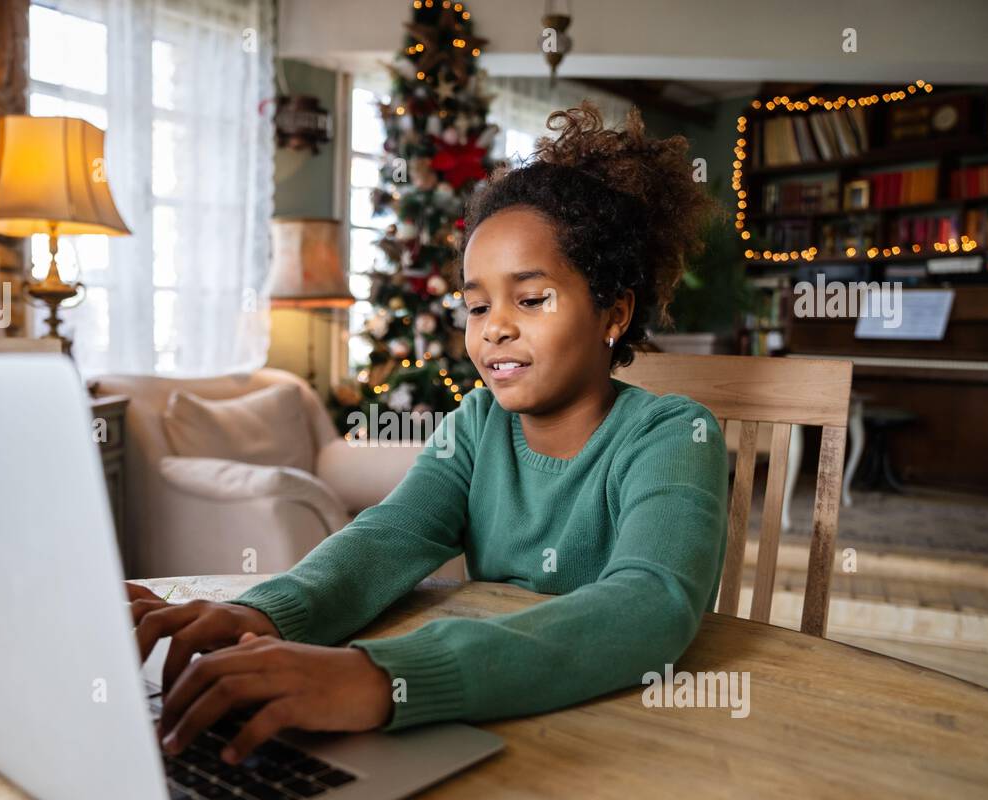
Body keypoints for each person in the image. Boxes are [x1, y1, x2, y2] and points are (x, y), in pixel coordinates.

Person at [128, 102, 729, 765]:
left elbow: (649, 605)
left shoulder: (673, 436)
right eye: (476, 305)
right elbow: (390, 534)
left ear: (613, 312)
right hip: (495, 728)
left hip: (627, 737)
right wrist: (264, 614)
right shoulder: (478, 425)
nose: (493, 327)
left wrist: (385, 676)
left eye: (530, 300)